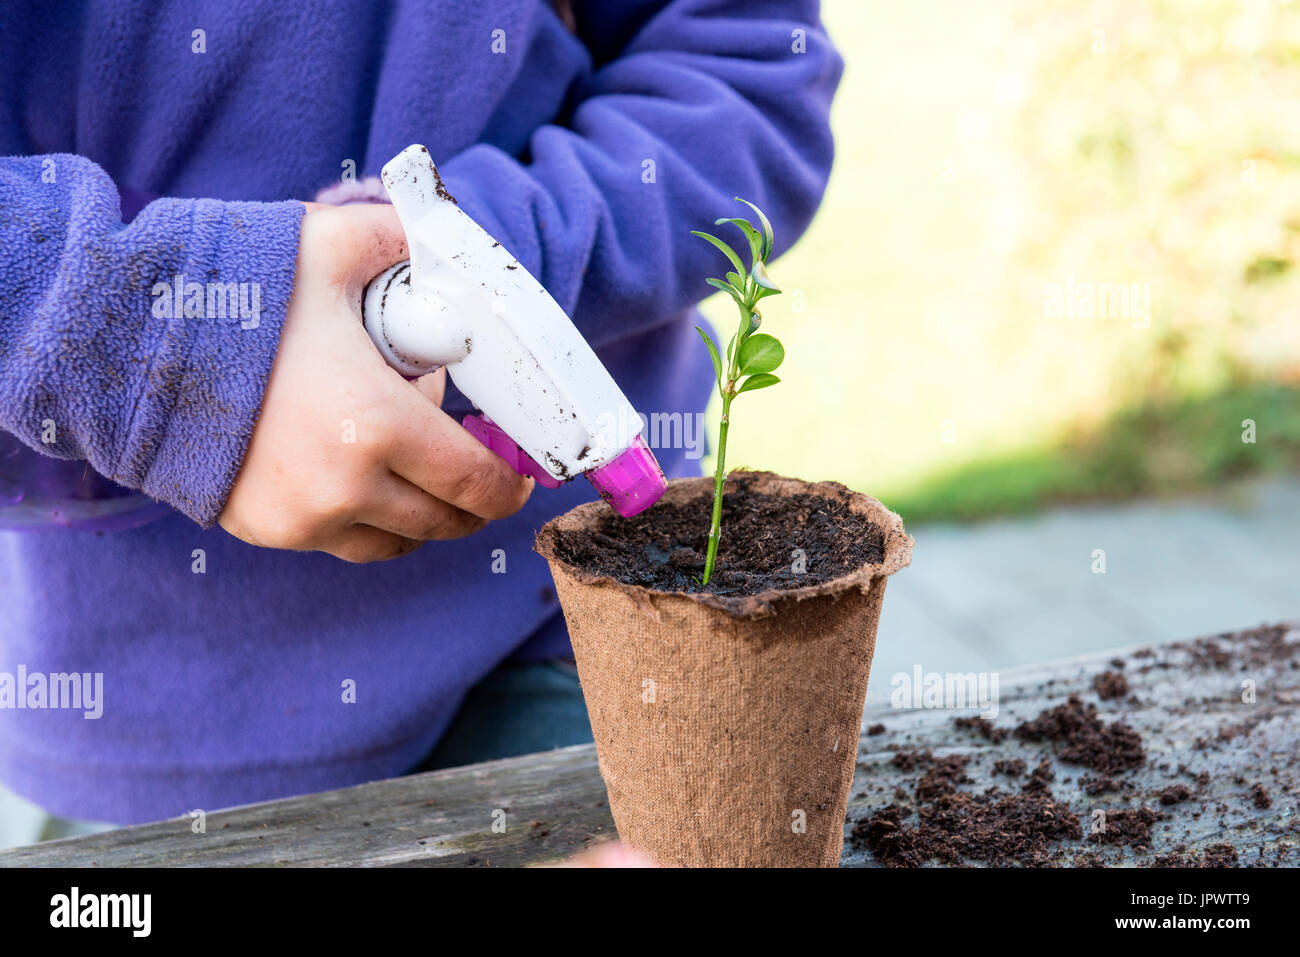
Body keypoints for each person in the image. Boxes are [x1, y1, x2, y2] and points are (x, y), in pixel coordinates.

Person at [0, 0, 842, 837]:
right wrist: (161, 338)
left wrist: (466, 261)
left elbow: (747, 64)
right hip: (149, 734)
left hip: (573, 641)